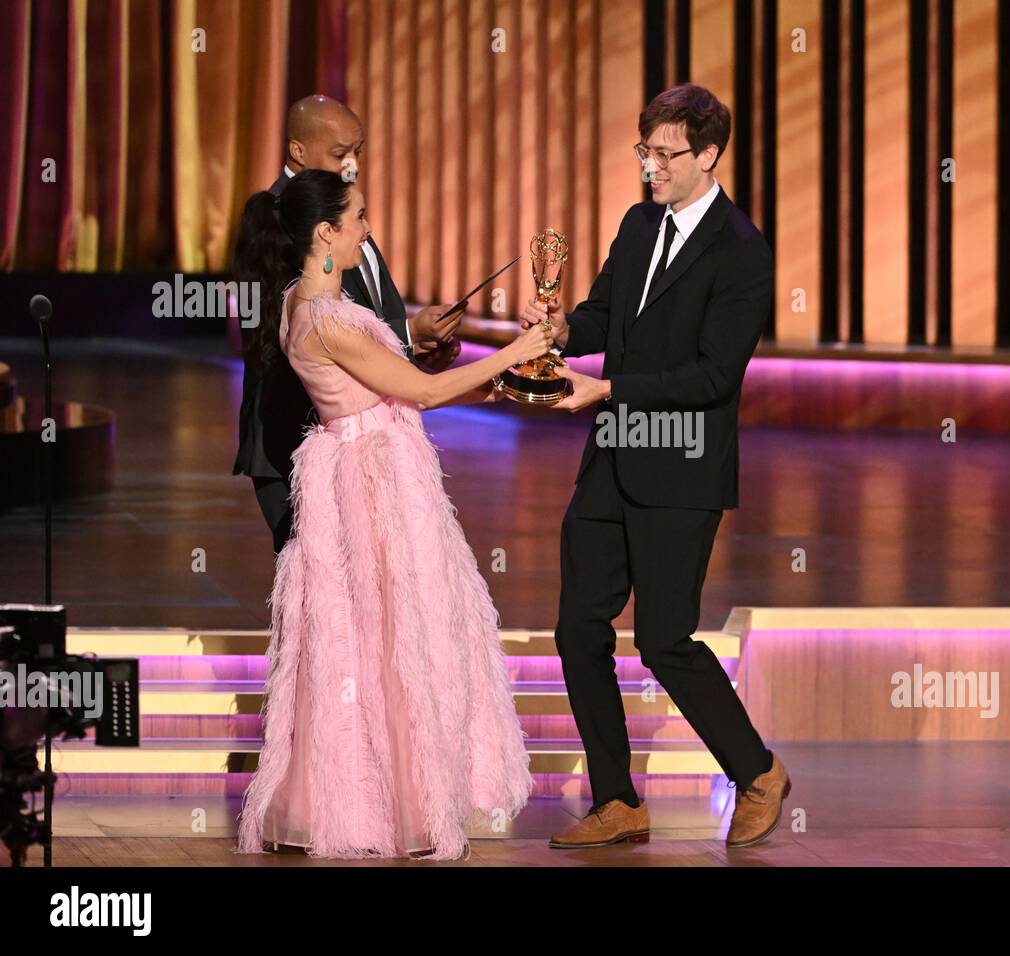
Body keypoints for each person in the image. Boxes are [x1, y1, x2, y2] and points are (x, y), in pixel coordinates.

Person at [232, 168, 550, 860]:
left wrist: (495, 384)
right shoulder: (321, 317)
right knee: (383, 642)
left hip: (381, 473)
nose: (368, 231)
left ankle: (389, 799)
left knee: (386, 638)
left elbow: (400, 392)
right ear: (325, 234)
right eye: (360, 219)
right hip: (370, 490)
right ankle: (380, 808)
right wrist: (516, 354)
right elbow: (420, 391)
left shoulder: (304, 301)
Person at [520, 84, 787, 849]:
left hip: (681, 462)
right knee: (579, 628)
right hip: (612, 458)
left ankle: (759, 771)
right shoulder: (640, 225)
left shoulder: (742, 251)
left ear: (708, 156)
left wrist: (609, 388)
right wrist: (562, 329)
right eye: (646, 152)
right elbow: (605, 315)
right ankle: (617, 799)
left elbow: (714, 376)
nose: (651, 169)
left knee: (666, 639)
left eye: (666, 154)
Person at [232, 95, 463, 553]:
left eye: (358, 150)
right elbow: (298, 336)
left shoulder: (346, 212)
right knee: (320, 594)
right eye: (340, 154)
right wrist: (408, 338)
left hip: (359, 453)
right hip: (297, 442)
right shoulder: (282, 219)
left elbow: (369, 313)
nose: (353, 164)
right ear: (298, 150)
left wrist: (415, 343)